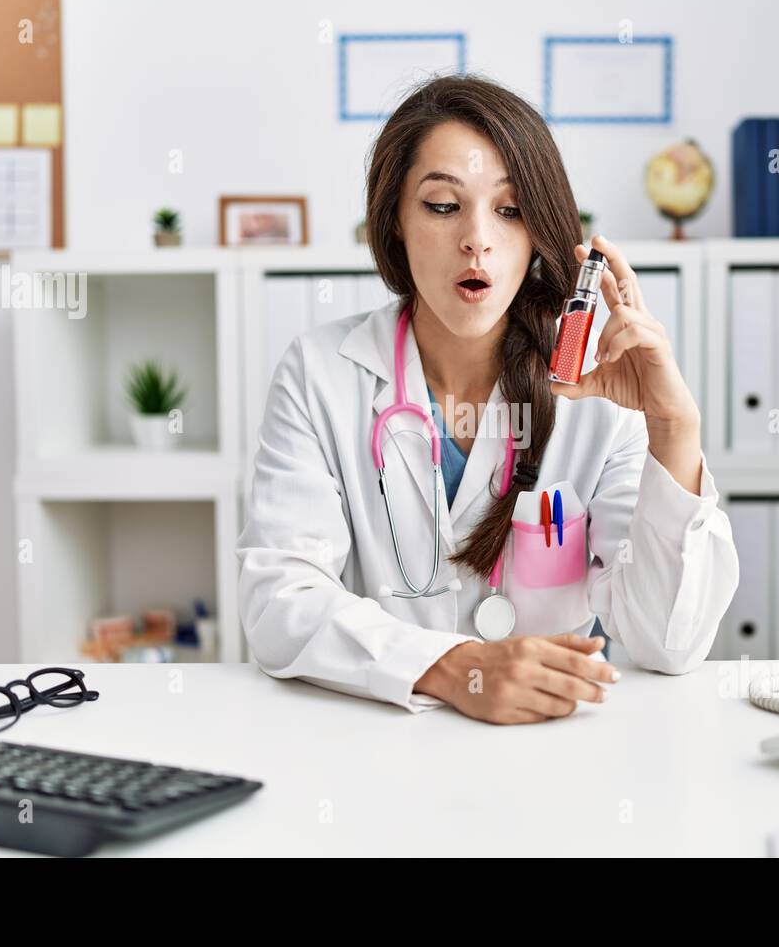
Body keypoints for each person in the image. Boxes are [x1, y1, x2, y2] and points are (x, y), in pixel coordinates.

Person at [236, 73, 738, 724]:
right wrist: (456, 669)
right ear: (394, 219)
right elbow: (279, 599)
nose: (477, 237)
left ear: (538, 231)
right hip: (382, 741)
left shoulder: (599, 387)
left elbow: (668, 644)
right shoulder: (320, 373)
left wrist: (674, 429)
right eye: (443, 206)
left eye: (508, 209)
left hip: (554, 756)